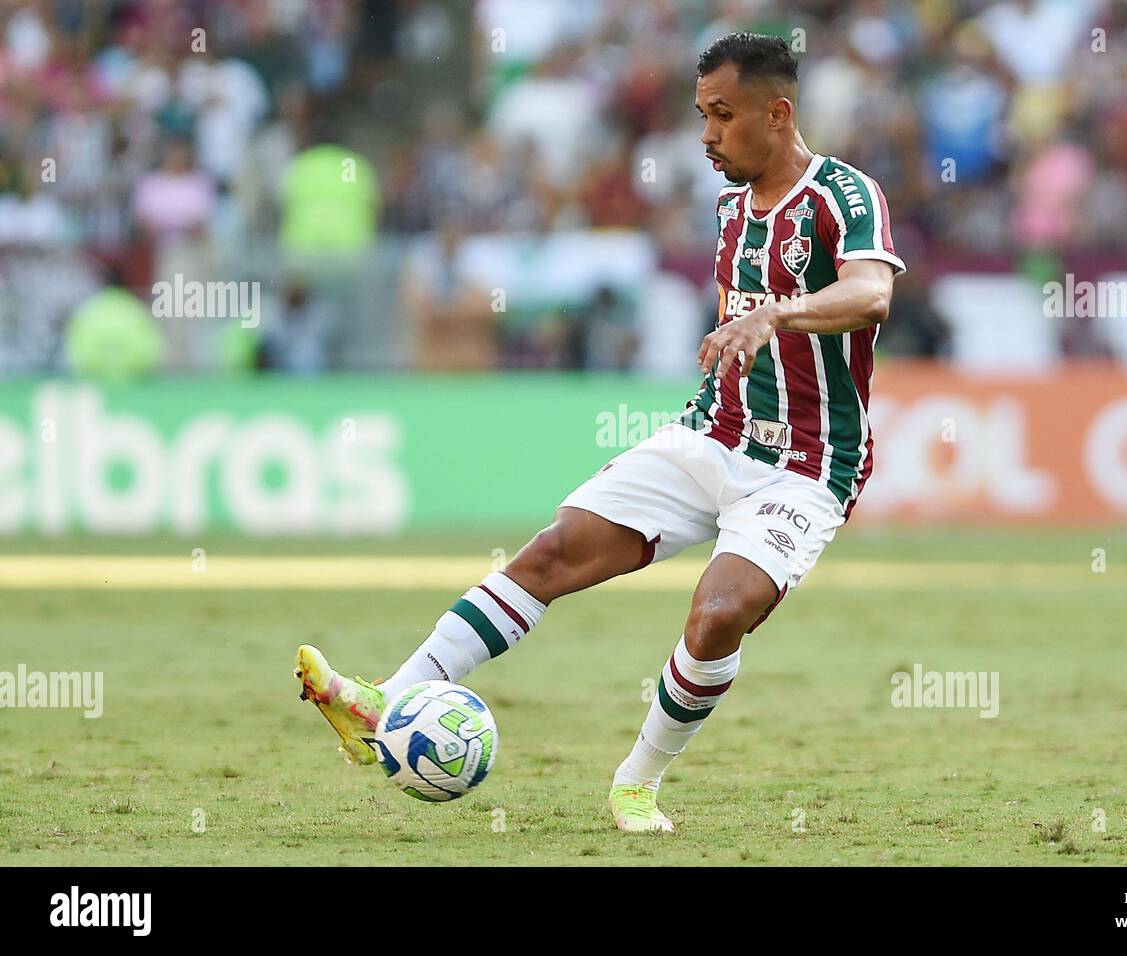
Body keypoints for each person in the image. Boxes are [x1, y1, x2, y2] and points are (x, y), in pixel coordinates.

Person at [294, 31, 905, 833]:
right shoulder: (729, 206)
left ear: (778, 114)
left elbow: (871, 295)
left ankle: (636, 783)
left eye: (723, 116)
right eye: (701, 114)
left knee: (719, 614)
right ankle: (386, 701)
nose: (707, 135)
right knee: (551, 552)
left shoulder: (844, 195)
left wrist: (775, 315)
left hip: (807, 463)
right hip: (712, 434)